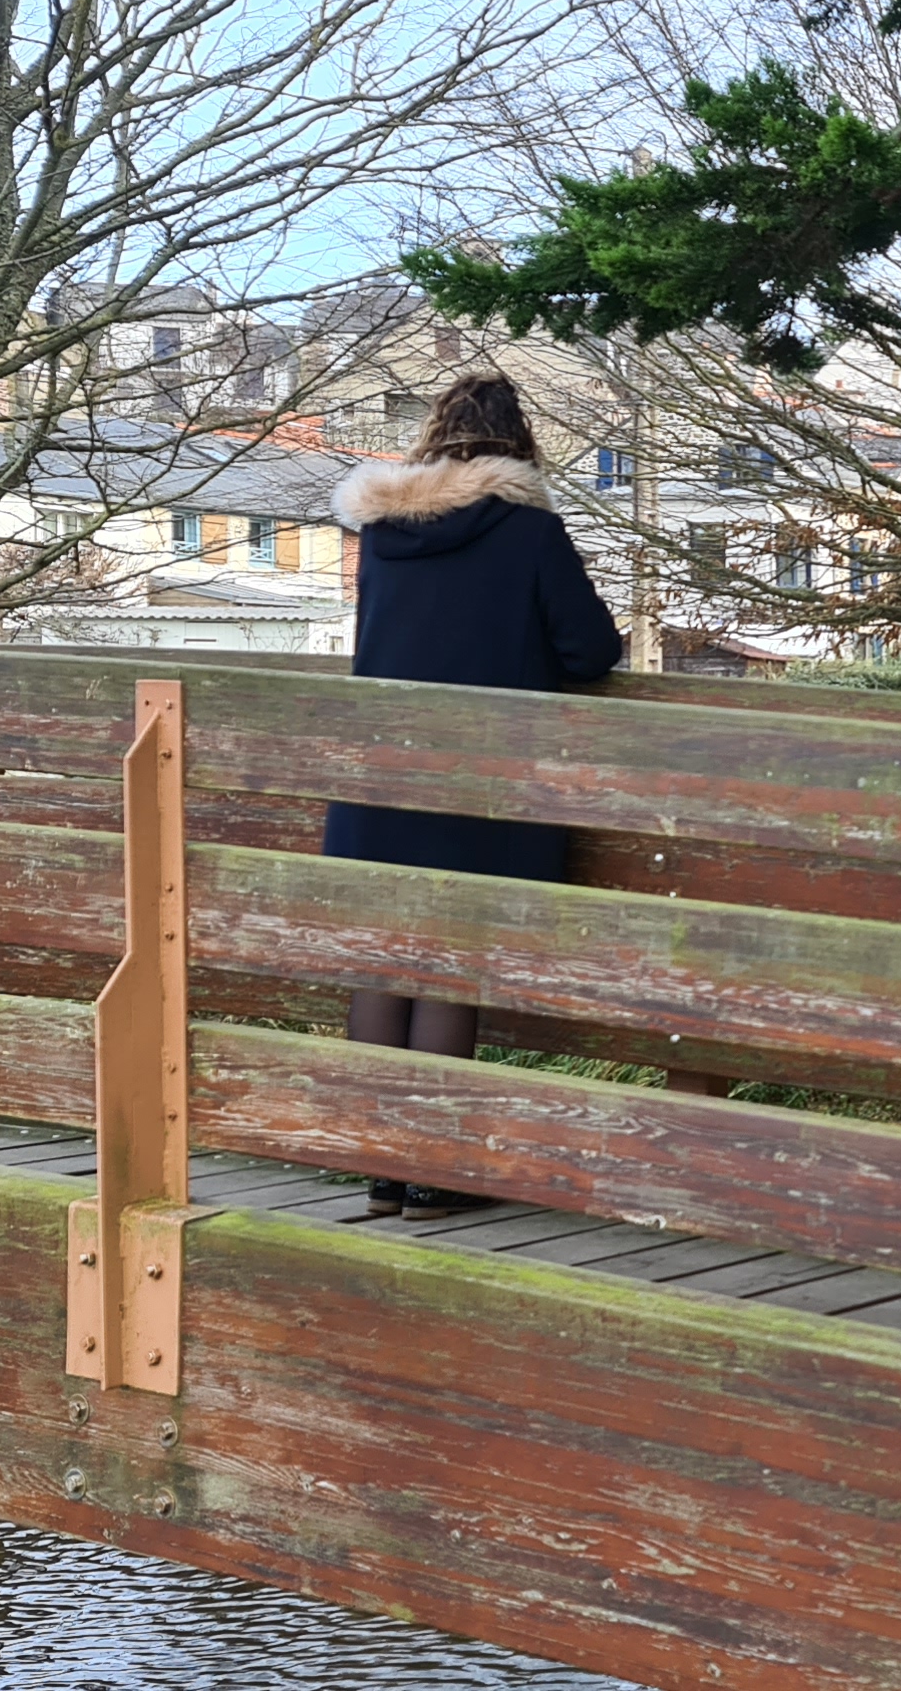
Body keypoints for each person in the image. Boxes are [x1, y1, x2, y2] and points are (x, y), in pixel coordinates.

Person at [323, 372, 625, 1218]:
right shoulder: (529, 530)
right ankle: (434, 1173)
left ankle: (383, 1172)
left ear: (432, 438)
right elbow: (591, 650)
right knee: (449, 964)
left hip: (379, 771)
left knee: (384, 963)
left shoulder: (382, 534)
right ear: (518, 446)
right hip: (479, 777)